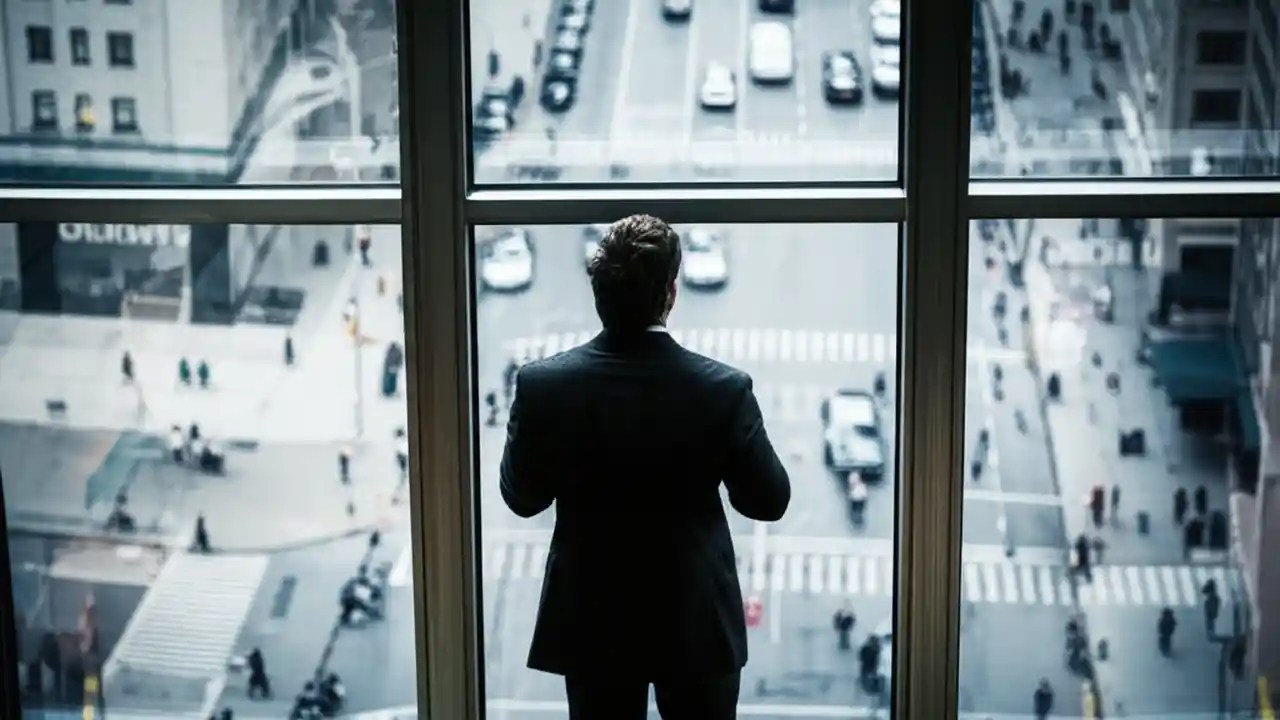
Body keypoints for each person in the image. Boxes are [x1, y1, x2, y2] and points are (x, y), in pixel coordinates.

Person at [498, 215, 791, 719]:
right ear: (669, 294)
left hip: (594, 620)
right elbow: (769, 499)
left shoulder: (544, 386)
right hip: (695, 618)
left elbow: (522, 499)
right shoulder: (721, 390)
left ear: (599, 294)